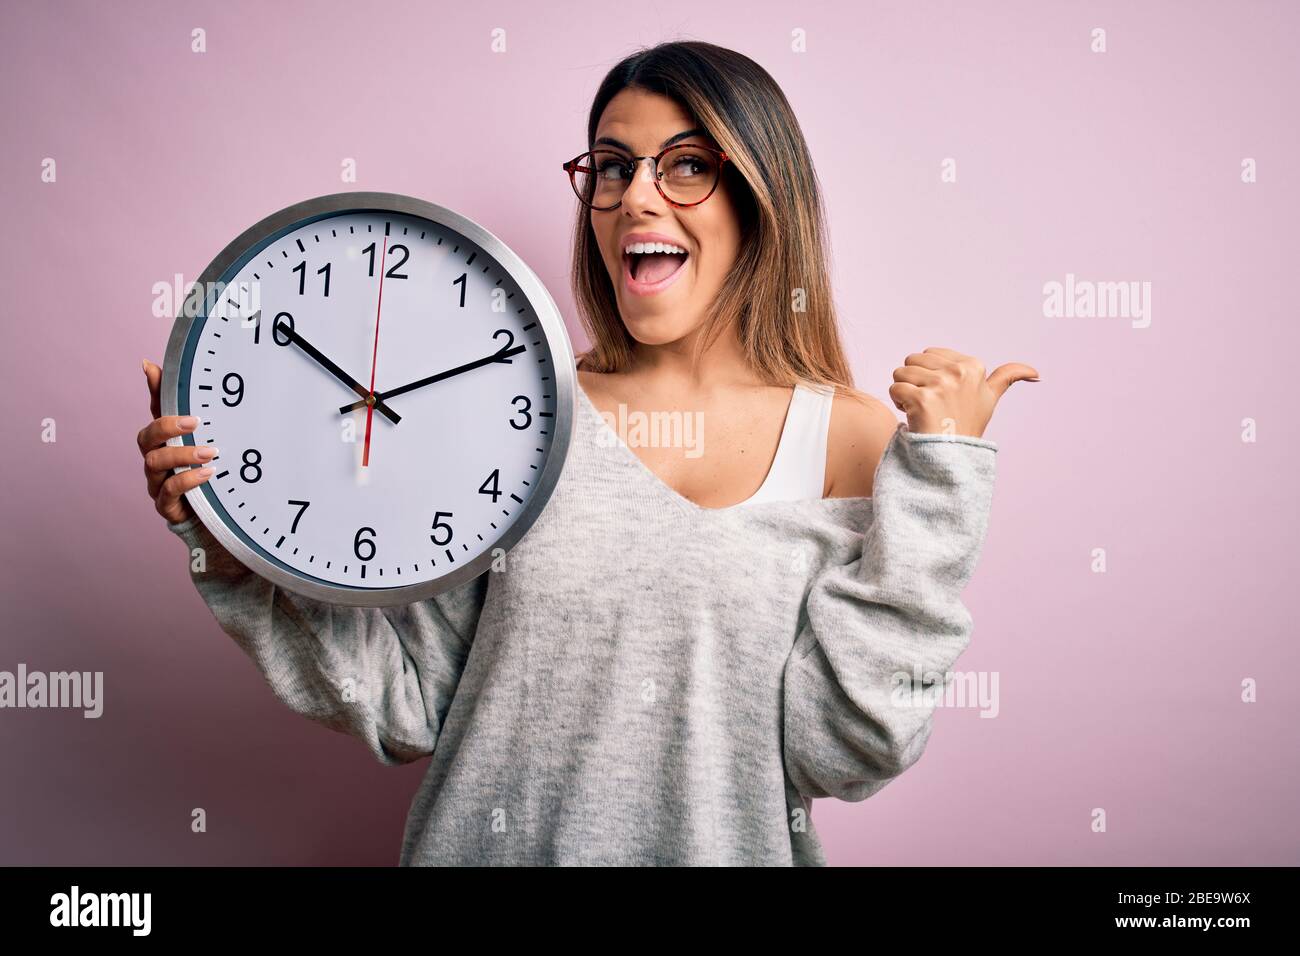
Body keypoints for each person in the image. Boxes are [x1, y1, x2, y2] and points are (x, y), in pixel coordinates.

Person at [136, 40, 1036, 865]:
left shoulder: (850, 440)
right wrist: (229, 545)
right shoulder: (518, 417)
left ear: (761, 196)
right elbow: (412, 700)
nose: (636, 196)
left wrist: (941, 485)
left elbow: (843, 751)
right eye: (611, 167)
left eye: (687, 165)